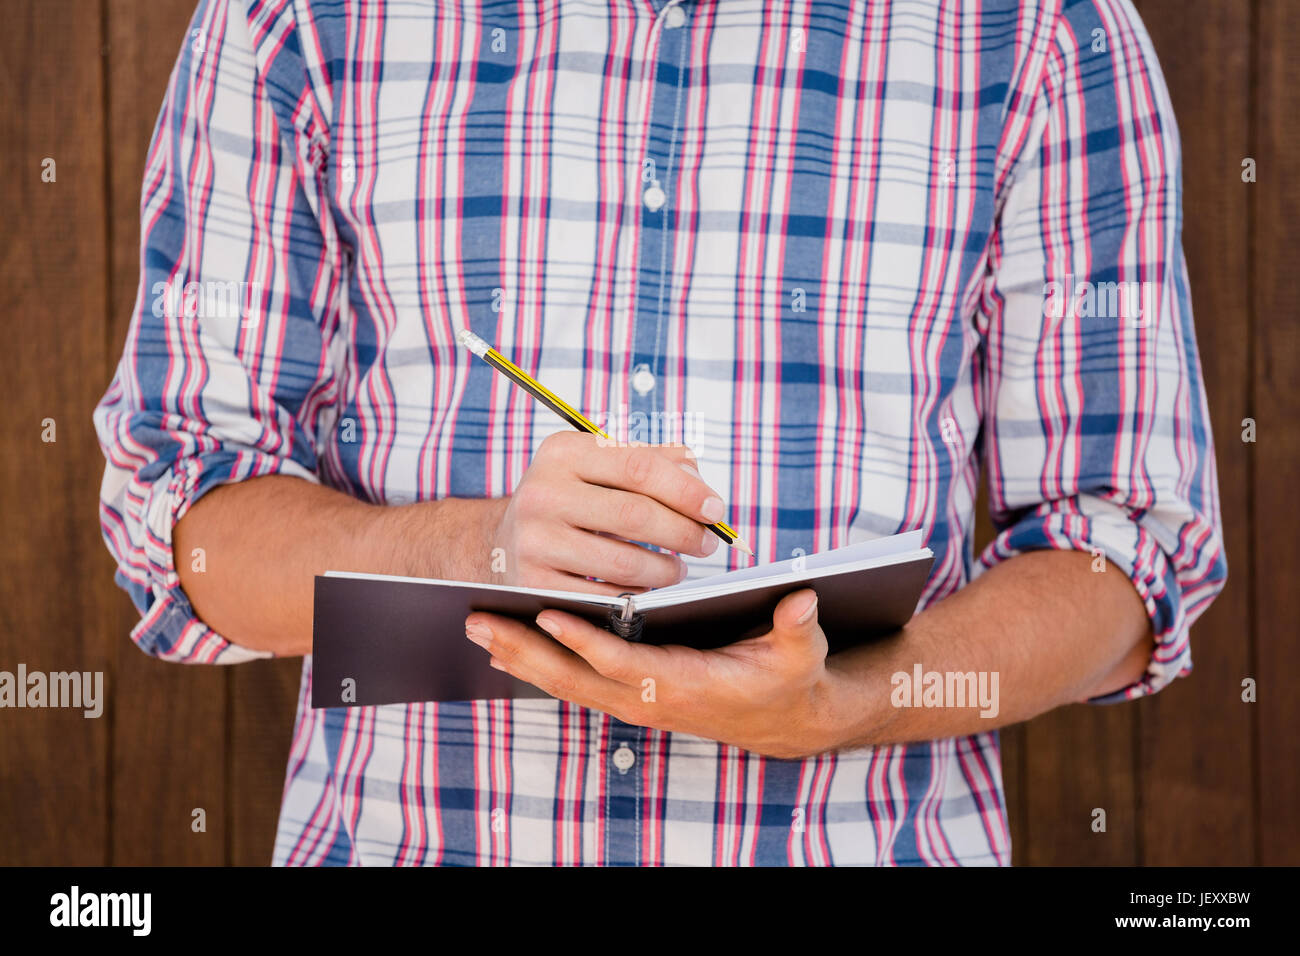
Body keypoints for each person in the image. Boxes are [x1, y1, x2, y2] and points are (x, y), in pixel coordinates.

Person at [94, 0, 1226, 866]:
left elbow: (1125, 555)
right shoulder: (294, 18)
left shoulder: (1039, 30)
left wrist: (856, 699)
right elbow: (183, 524)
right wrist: (473, 550)